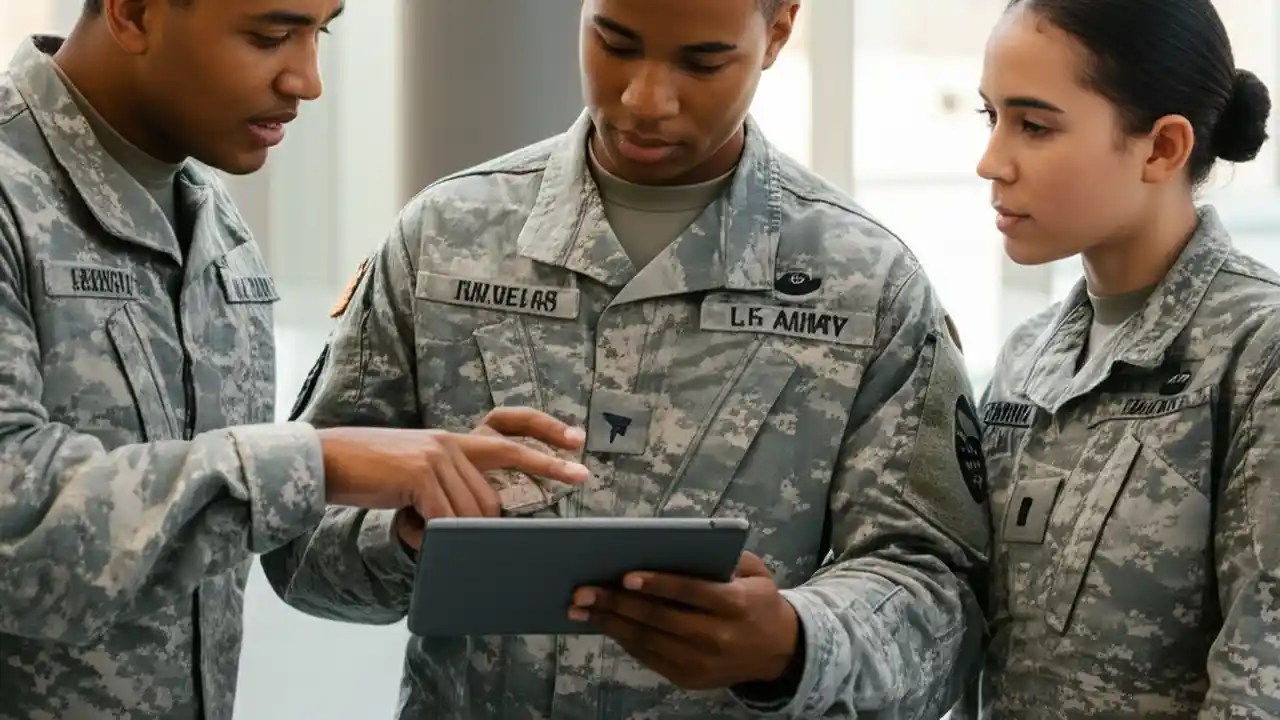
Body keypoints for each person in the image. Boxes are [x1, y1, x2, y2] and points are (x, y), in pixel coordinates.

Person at [269, 0, 992, 717]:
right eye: (614, 44)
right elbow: (296, 541)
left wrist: (795, 644)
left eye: (702, 61)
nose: (645, 99)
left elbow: (939, 591)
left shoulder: (865, 283)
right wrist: (405, 534)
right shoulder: (445, 240)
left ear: (777, 32)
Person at [0, 0, 589, 718]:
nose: (308, 81)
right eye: (271, 35)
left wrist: (406, 529)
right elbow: (14, 522)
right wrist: (320, 462)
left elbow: (221, 544)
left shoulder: (213, 221)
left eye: (322, 32)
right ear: (131, 12)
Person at [970, 0, 1280, 716]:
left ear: (1163, 148)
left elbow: (1261, 684)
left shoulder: (1257, 353)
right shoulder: (1028, 357)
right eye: (990, 118)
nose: (991, 161)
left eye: (1035, 125)